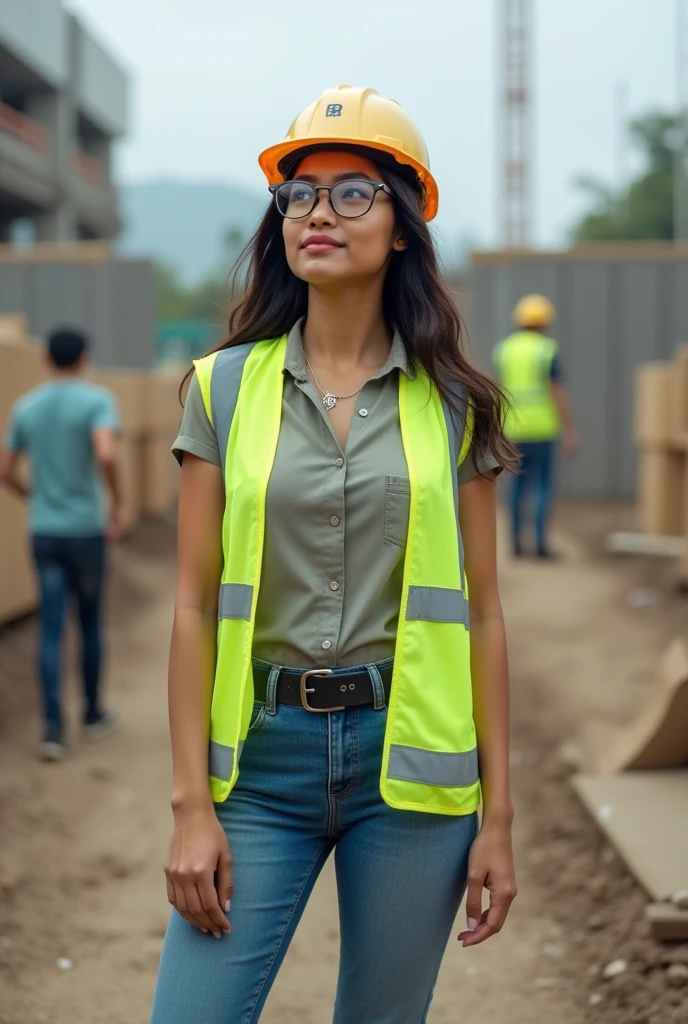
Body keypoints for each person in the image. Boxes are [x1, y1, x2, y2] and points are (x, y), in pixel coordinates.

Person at [151, 84, 518, 1024]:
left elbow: (483, 611)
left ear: (403, 227)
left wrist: (501, 822)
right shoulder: (222, 390)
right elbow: (192, 607)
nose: (318, 211)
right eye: (299, 194)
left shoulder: (455, 404)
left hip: (412, 775)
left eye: (353, 191)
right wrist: (192, 805)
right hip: (260, 769)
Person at [0, 328, 123, 761]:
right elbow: (106, 453)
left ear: (46, 359)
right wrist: (116, 503)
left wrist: (33, 495)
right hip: (85, 530)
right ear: (84, 358)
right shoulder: (97, 401)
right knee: (89, 623)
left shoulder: (26, 407)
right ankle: (91, 714)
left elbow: (5, 468)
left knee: (50, 627)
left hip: (44, 530)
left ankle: (52, 729)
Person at [493, 294, 579, 559]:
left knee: (516, 486)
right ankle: (540, 545)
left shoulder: (505, 350)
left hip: (512, 428)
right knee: (541, 486)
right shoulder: (547, 350)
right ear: (545, 322)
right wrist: (569, 429)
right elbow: (557, 392)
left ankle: (516, 544)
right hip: (542, 428)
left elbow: (497, 389)